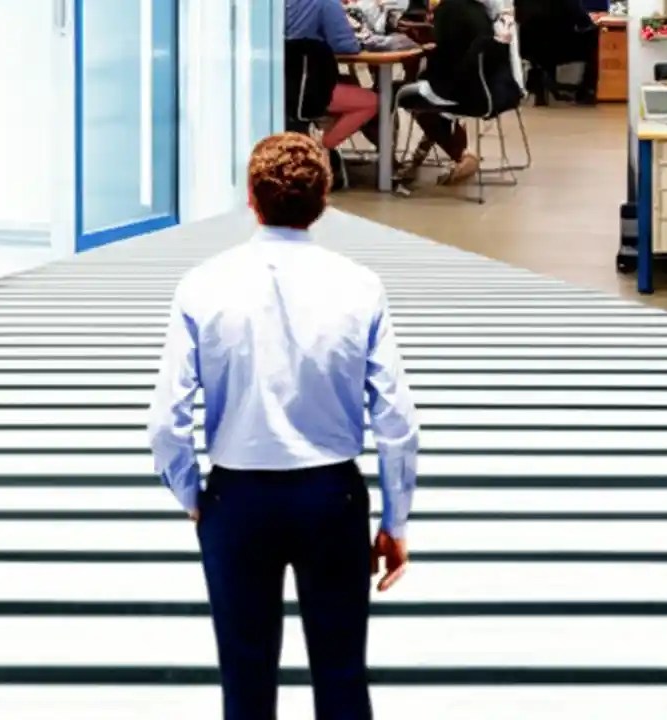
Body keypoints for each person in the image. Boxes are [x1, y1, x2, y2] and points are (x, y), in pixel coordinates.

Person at [149, 132, 420, 720]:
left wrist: (195, 497)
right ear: (324, 199)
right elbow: (396, 419)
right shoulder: (360, 285)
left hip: (237, 498)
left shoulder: (202, 284)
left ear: (251, 197)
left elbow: (166, 420)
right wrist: (395, 518)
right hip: (331, 496)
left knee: (245, 678)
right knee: (342, 673)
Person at [396, 0, 523, 186]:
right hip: (495, 89)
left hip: (463, 92)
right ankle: (457, 152)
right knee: (419, 91)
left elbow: (445, 56)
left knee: (401, 94)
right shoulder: (482, 11)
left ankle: (460, 153)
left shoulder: (448, 10)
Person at [287, 0, 380, 186]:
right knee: (373, 101)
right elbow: (346, 45)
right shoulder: (326, 4)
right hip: (310, 92)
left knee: (348, 83)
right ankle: (323, 147)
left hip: (282, 89)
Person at [516, 0, 598, 105]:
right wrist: (590, 21)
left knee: (544, 42)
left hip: (529, 44)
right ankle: (587, 91)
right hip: (559, 45)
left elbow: (519, 15)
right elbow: (580, 17)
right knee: (595, 40)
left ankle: (542, 81)